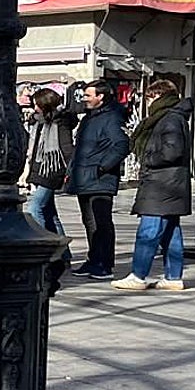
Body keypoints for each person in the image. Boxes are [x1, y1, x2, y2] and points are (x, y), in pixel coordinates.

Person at [113, 80, 193, 291]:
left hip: (162, 185)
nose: (148, 101)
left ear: (159, 96)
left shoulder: (170, 120)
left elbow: (172, 151)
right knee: (170, 232)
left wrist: (148, 158)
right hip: (169, 183)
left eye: (150, 97)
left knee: (148, 231)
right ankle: (173, 277)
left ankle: (138, 276)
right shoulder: (173, 118)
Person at [64, 79, 131, 281]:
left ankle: (104, 263)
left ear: (100, 97)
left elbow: (122, 145)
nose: (84, 99)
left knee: (101, 223)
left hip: (99, 179)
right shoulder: (89, 118)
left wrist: (101, 167)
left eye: (88, 95)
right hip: (84, 177)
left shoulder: (112, 118)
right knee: (89, 222)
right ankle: (94, 259)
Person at [26, 88, 75, 263]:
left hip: (52, 170)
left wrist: (70, 171)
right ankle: (64, 255)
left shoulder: (59, 122)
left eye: (37, 104)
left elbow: (67, 148)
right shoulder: (39, 122)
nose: (34, 107)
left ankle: (41, 250)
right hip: (39, 169)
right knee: (49, 214)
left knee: (34, 208)